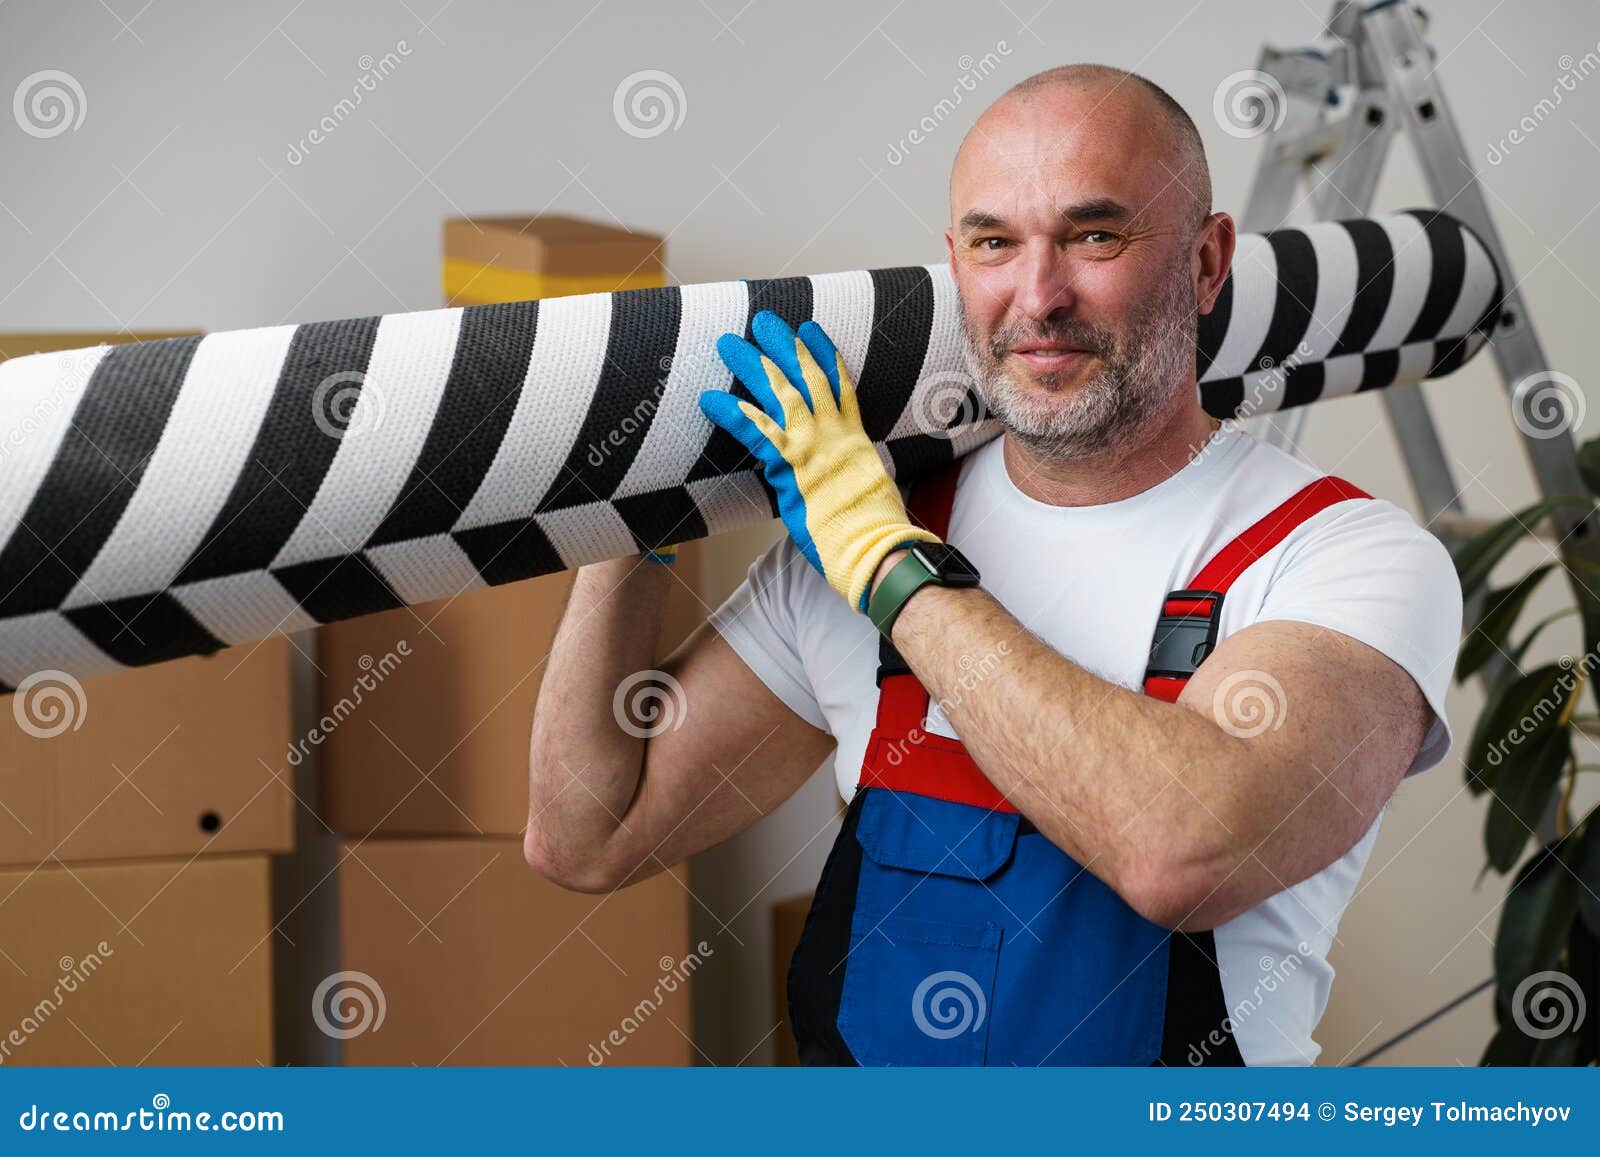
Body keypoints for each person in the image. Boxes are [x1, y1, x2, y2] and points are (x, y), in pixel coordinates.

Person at [524, 64, 1462, 1066]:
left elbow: (1181, 849)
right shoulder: (865, 526)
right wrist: (634, 525)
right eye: (994, 243)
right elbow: (588, 833)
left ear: (1204, 261)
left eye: (1095, 234)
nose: (1039, 295)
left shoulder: (1340, 557)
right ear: (955, 263)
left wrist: (891, 569)